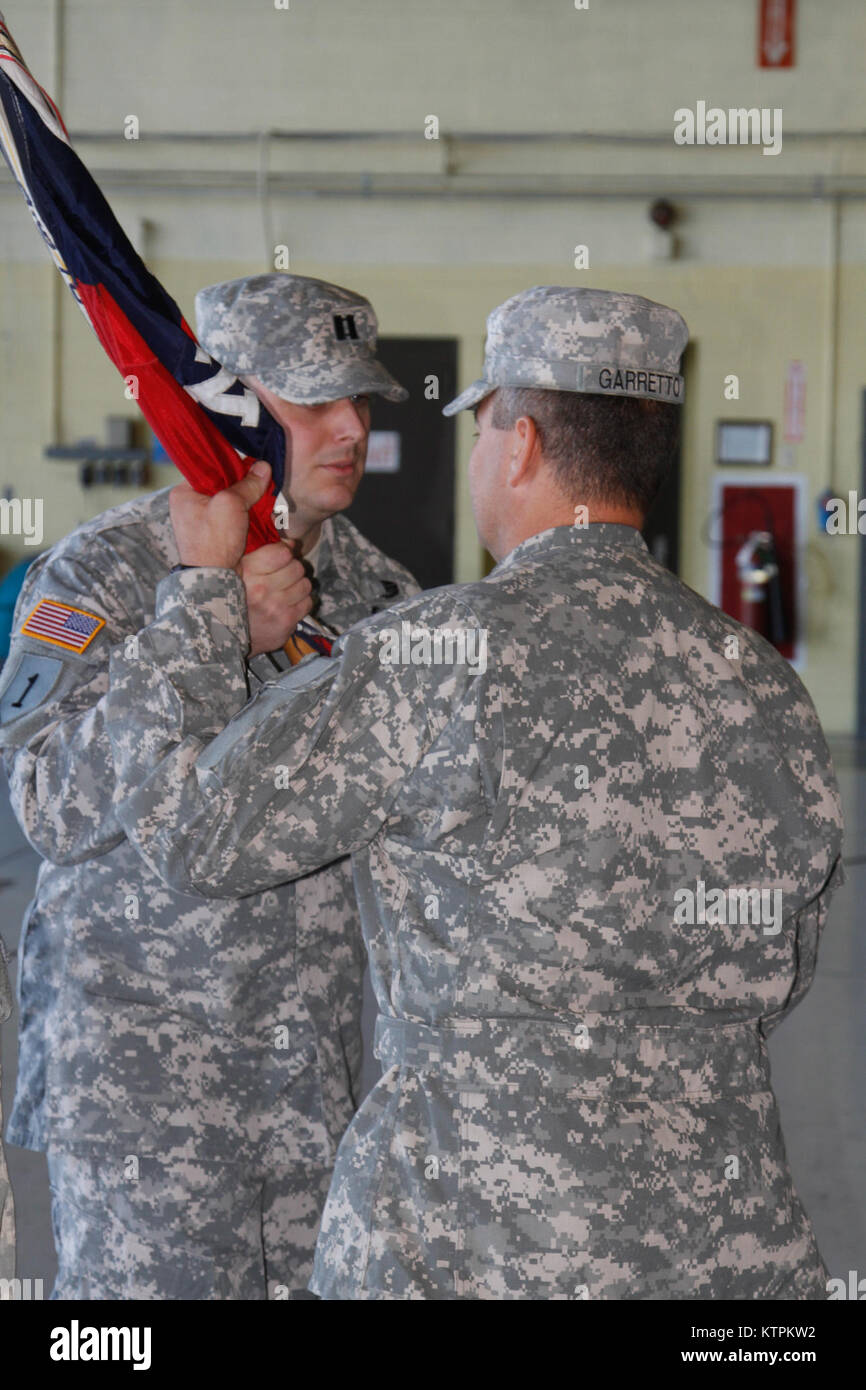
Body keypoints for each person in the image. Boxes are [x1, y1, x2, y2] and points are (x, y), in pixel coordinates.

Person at [101, 286, 843, 1300]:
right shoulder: (763, 684)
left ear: (521, 442)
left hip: (460, 1234)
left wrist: (197, 599)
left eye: (483, 425)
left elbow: (190, 834)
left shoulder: (429, 656)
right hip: (720, 1250)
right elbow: (785, 960)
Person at [0, 273, 419, 1300]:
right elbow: (53, 806)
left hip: (311, 1079)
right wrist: (202, 621)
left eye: (359, 400)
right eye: (312, 401)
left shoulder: (382, 597)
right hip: (146, 1087)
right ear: (223, 407)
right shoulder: (101, 574)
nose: (350, 427)